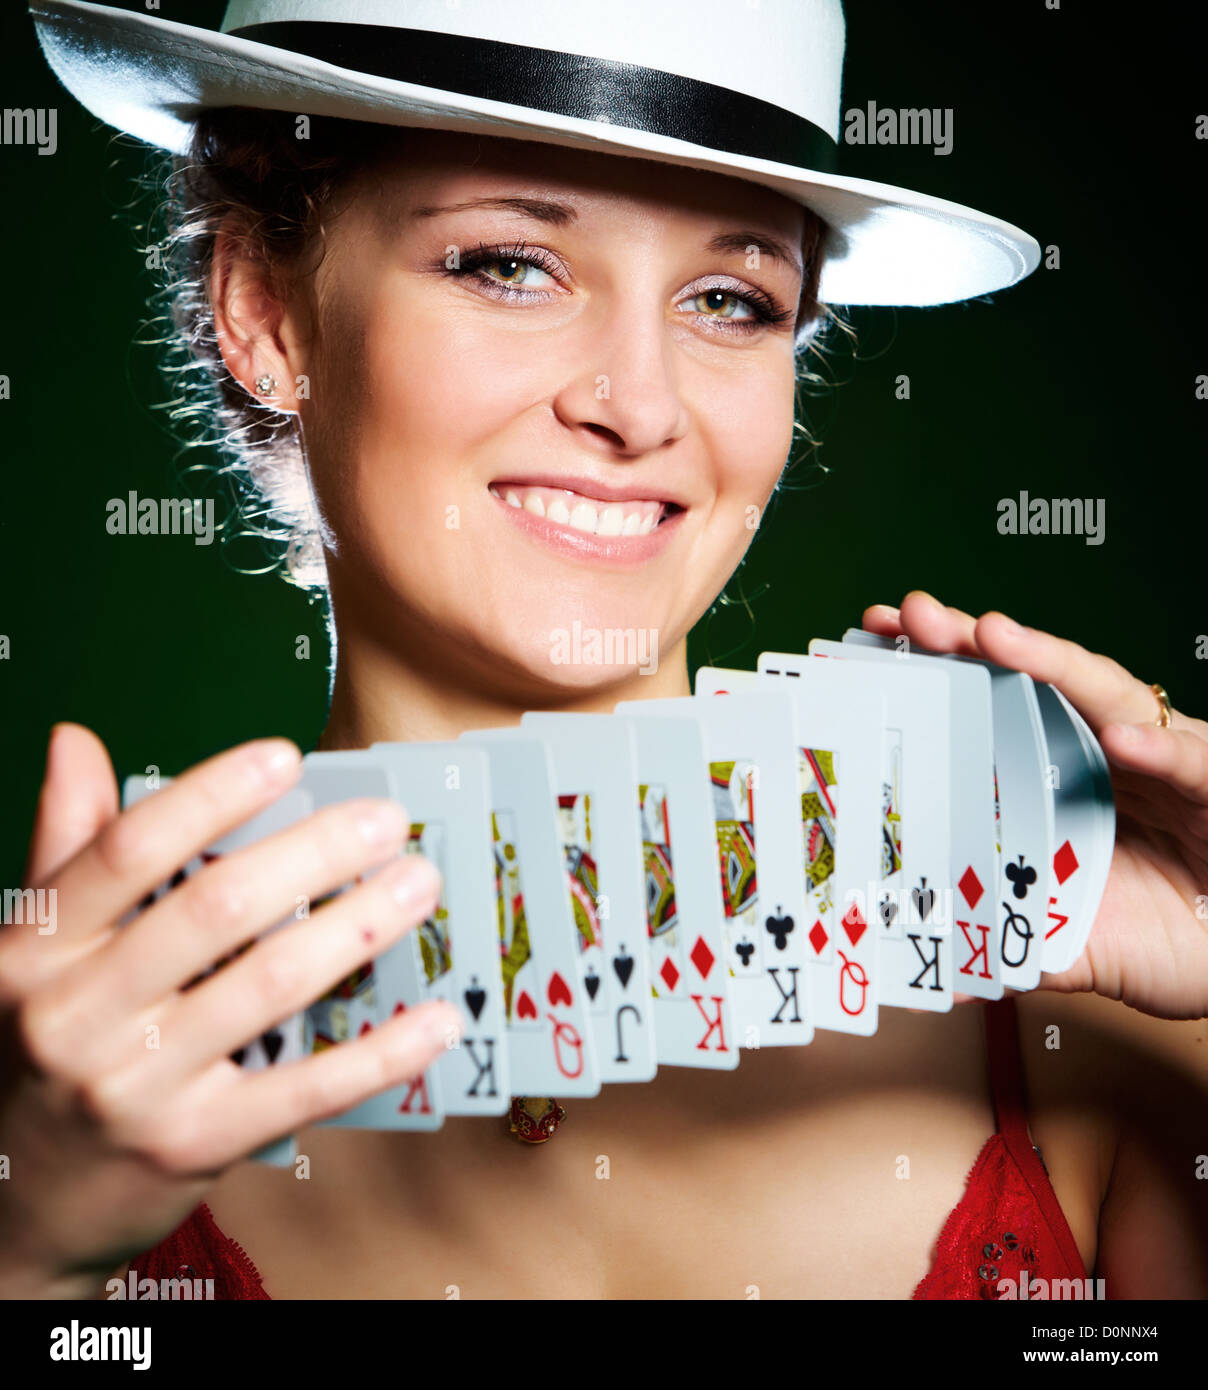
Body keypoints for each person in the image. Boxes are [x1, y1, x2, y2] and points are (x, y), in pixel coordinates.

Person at [4, 0, 1205, 1300]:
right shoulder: (65, 1098)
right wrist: (30, 1246)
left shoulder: (1107, 1030)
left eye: (731, 299)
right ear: (266, 315)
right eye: (510, 263)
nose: (638, 404)